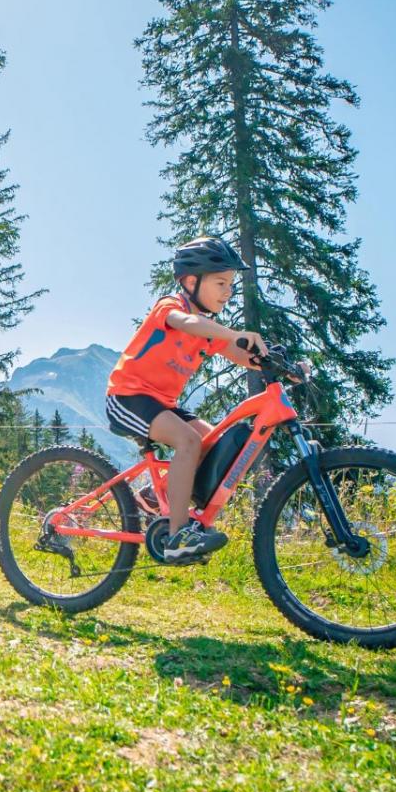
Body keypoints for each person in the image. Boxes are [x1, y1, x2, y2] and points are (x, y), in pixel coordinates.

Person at [105, 237, 267, 562]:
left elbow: (244, 356)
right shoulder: (171, 307)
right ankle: (178, 537)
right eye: (221, 283)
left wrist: (279, 363)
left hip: (160, 402)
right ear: (191, 282)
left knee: (212, 439)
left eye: (231, 285)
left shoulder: (209, 331)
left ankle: (156, 495)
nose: (228, 292)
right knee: (189, 442)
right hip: (128, 396)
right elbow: (188, 323)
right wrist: (234, 334)